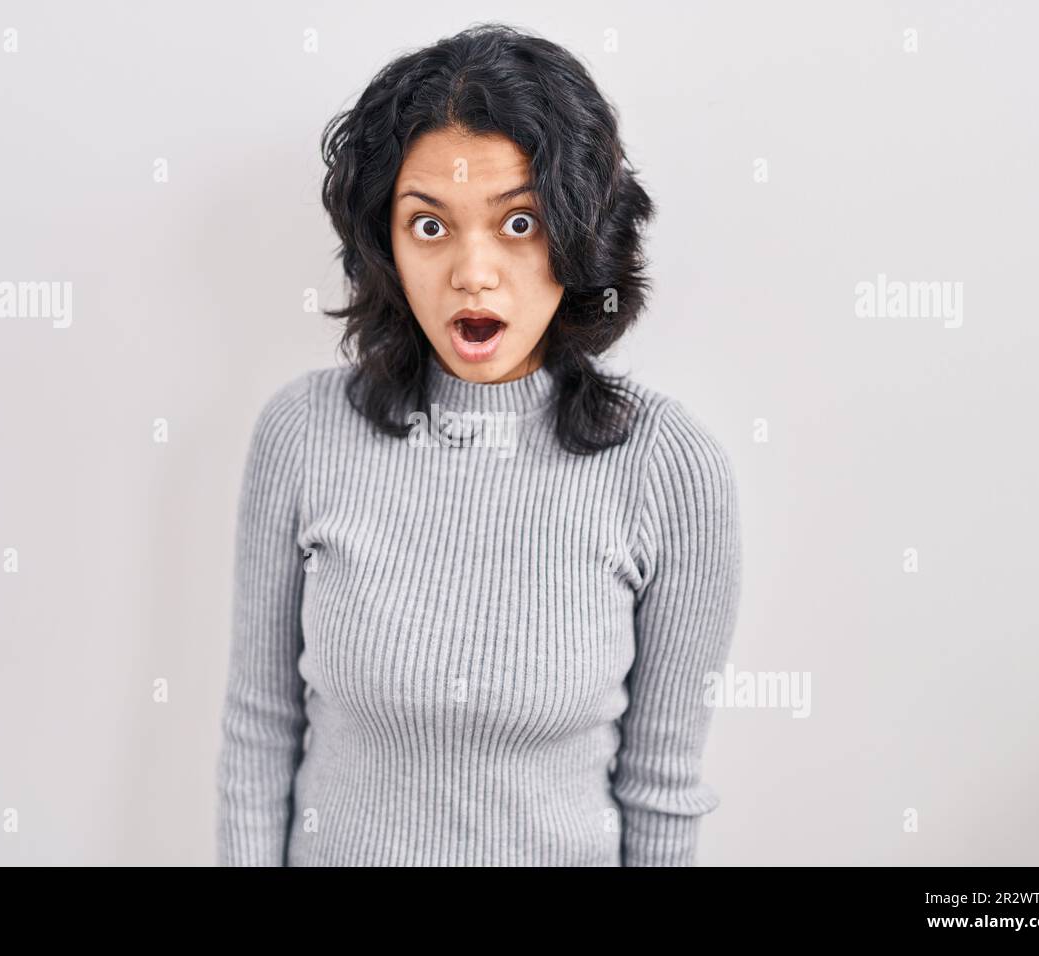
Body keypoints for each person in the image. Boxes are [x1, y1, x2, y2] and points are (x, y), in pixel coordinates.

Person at [217, 22, 742, 866]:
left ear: (578, 236)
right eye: (430, 226)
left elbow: (662, 789)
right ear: (382, 242)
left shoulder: (668, 468)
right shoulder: (302, 434)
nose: (473, 272)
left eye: (520, 223)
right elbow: (259, 731)